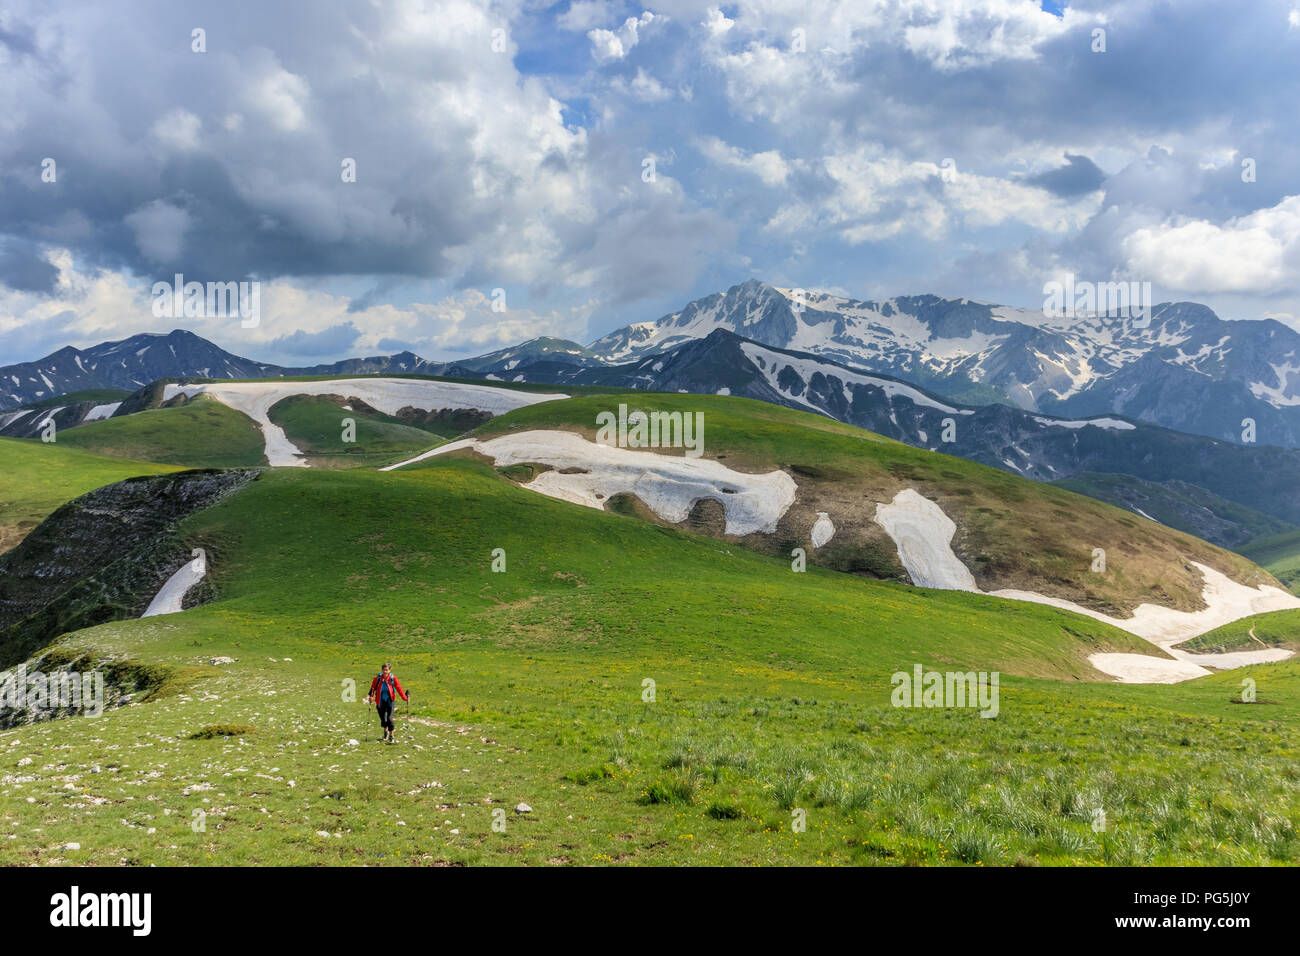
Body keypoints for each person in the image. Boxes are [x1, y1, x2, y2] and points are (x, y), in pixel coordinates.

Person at [367, 662, 409, 744]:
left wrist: (404, 698)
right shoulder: (378, 679)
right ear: (382, 670)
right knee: (383, 719)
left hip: (390, 701)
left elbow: (399, 688)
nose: (385, 672)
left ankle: (391, 736)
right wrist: (371, 697)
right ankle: (385, 732)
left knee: (389, 719)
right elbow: (372, 688)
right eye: (384, 670)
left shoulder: (393, 679)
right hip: (380, 702)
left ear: (390, 670)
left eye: (386, 670)